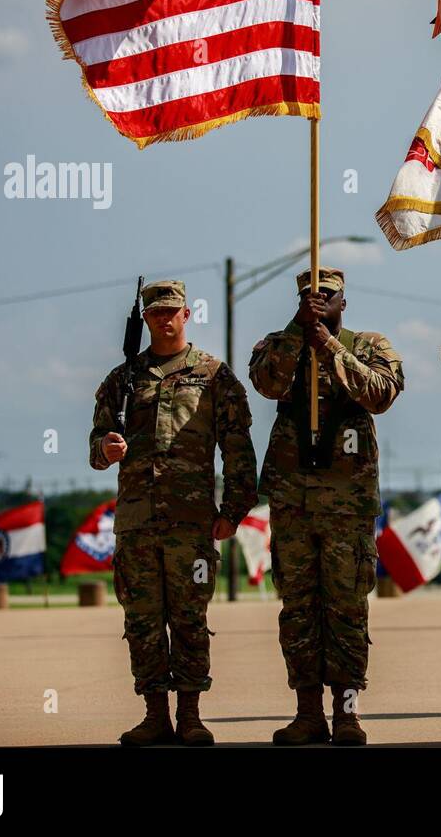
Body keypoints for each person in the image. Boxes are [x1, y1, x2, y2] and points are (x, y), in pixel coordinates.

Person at [89, 279, 257, 747]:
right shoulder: (122, 379)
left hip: (191, 523)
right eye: (155, 313)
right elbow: (97, 443)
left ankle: (190, 716)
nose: (164, 319)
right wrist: (104, 448)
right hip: (137, 524)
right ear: (145, 319)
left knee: (189, 620)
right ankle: (154, 715)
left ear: (187, 314)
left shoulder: (214, 376)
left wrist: (234, 510)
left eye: (172, 311)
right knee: (142, 622)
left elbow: (238, 448)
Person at [248, 267, 404, 747]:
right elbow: (266, 384)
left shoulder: (370, 346)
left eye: (327, 297)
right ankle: (307, 713)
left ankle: (348, 714)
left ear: (344, 301)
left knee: (346, 609)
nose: (318, 304)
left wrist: (331, 348)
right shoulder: (278, 343)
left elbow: (380, 395)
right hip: (294, 499)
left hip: (347, 501)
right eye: (308, 298)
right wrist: (299, 333)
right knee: (299, 609)